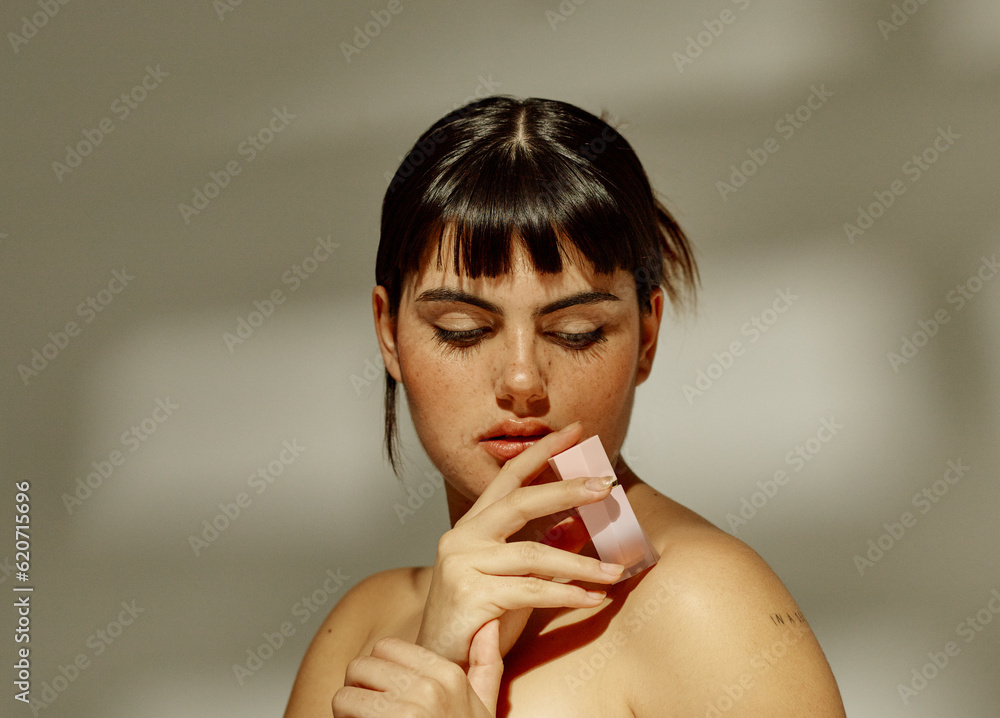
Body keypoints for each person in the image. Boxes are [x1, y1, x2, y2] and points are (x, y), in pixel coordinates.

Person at [284, 95, 846, 717]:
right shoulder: (365, 630)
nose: (522, 378)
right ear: (389, 334)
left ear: (646, 336)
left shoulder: (699, 603)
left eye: (575, 331)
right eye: (462, 329)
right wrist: (435, 654)